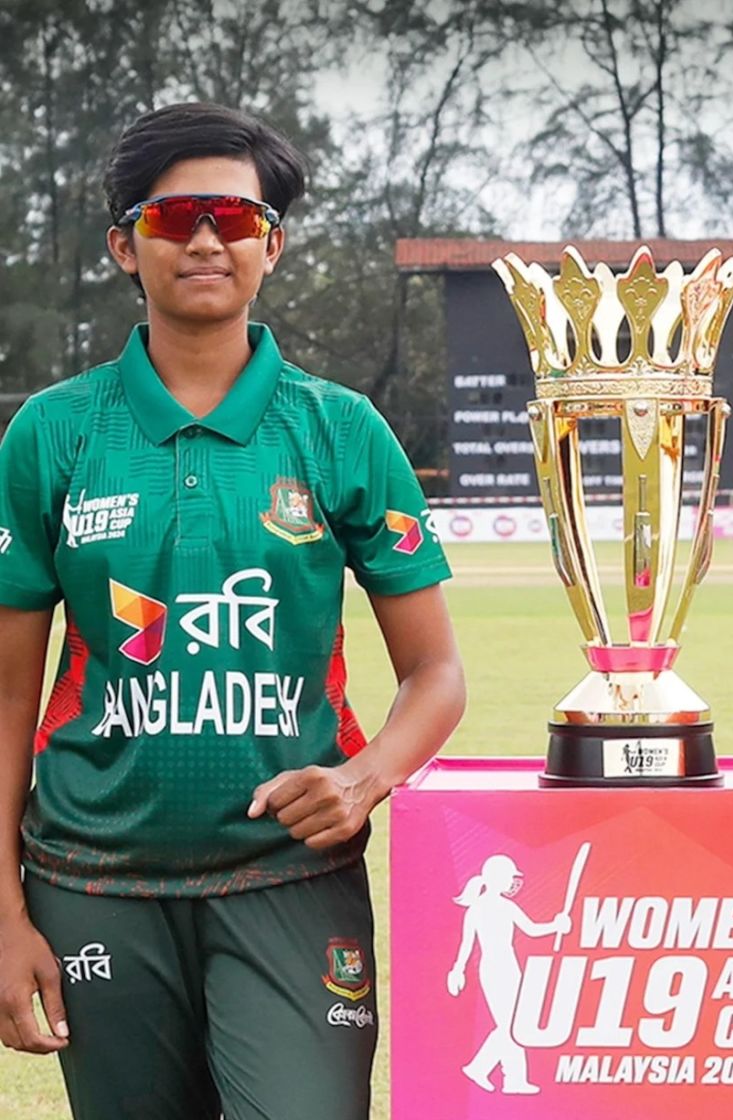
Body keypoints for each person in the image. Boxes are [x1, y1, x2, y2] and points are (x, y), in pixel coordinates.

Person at [0, 102, 466, 1120]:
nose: (206, 239)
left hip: (292, 882)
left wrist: (365, 777)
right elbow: (6, 702)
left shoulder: (339, 429)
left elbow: (436, 673)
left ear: (272, 243)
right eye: (172, 219)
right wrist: (1, 911)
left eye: (234, 217)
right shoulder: (53, 434)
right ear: (127, 244)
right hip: (93, 882)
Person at [446, 853, 571, 1095]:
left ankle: (513, 1078)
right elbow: (466, 944)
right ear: (496, 878)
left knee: (514, 1025)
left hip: (510, 966)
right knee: (511, 1026)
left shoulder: (506, 906)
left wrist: (556, 925)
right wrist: (457, 970)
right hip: (494, 968)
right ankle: (482, 1068)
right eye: (509, 877)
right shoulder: (479, 908)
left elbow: (532, 930)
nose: (512, 883)